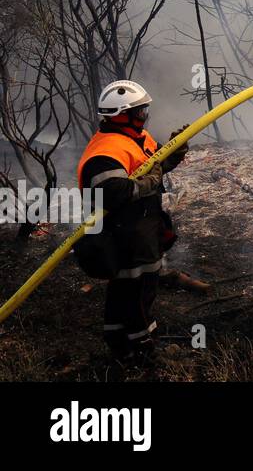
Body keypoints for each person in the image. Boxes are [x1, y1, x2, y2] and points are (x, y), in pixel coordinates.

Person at [76, 80, 188, 361]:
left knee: (130, 288)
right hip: (124, 234)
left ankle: (117, 340)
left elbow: (156, 165)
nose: (145, 116)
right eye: (140, 112)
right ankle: (142, 347)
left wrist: (175, 151)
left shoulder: (135, 138)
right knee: (137, 290)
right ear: (121, 115)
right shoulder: (105, 152)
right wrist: (148, 183)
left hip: (142, 228)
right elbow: (112, 193)